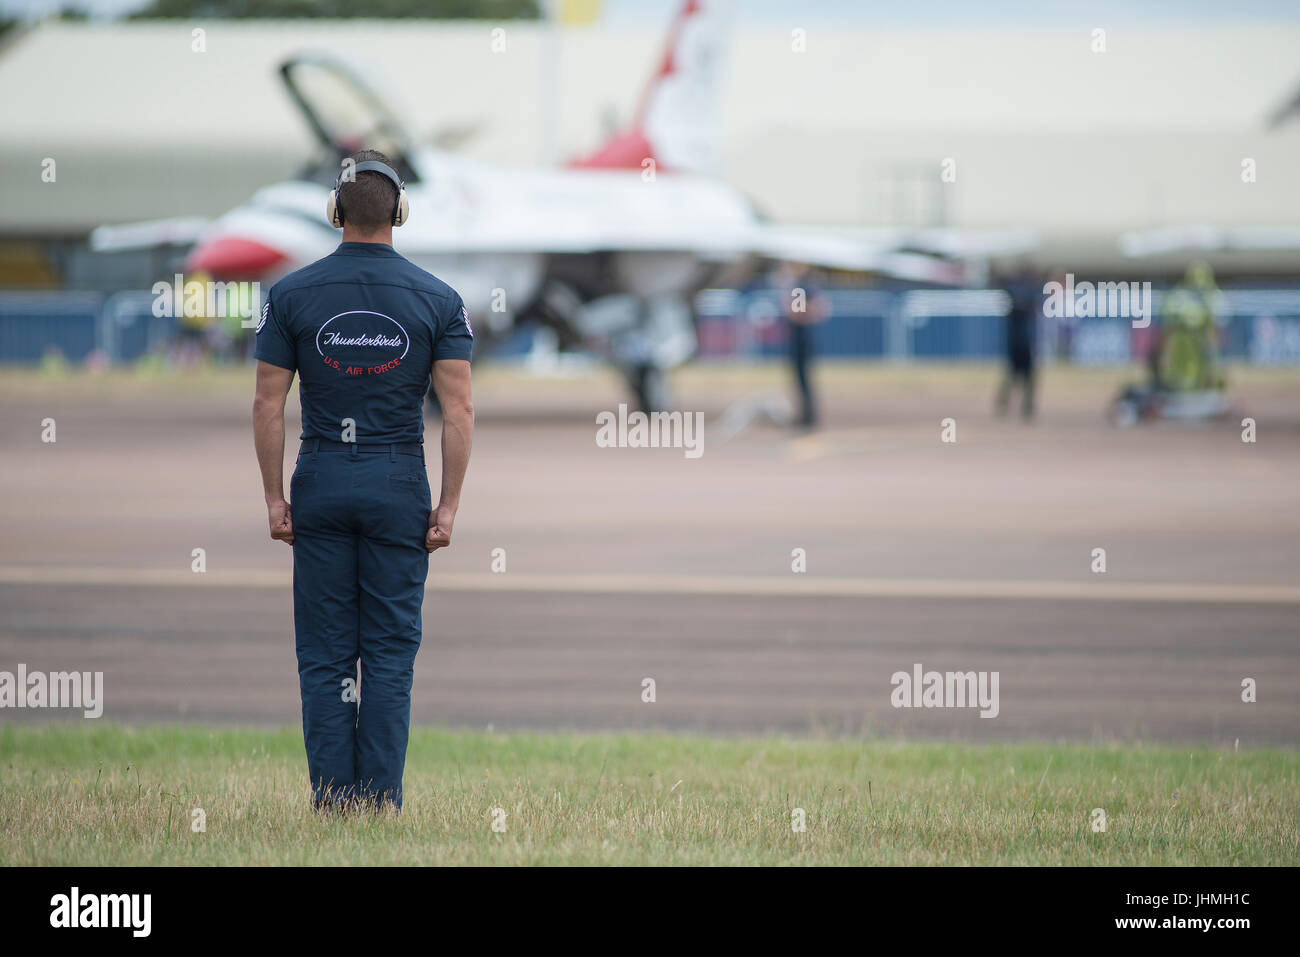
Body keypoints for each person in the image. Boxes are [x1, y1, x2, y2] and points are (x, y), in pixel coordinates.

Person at [252, 149, 475, 813]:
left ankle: (332, 800)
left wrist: (274, 497)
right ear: (400, 214)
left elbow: (269, 404)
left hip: (319, 477)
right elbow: (458, 409)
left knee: (323, 655)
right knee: (387, 654)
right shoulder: (439, 299)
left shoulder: (290, 295)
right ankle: (378, 803)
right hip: (397, 480)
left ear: (335, 212)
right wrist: (449, 505)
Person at [773, 260, 829, 428]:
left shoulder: (801, 287)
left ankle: (807, 417)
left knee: (802, 379)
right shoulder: (805, 286)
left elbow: (797, 312)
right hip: (802, 336)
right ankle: (806, 415)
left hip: (801, 337)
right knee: (802, 379)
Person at [994, 264, 1040, 420]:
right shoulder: (1026, 295)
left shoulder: (1017, 294)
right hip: (1021, 343)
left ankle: (1022, 406)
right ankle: (1018, 405)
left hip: (1019, 343)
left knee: (1019, 377)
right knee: (1020, 377)